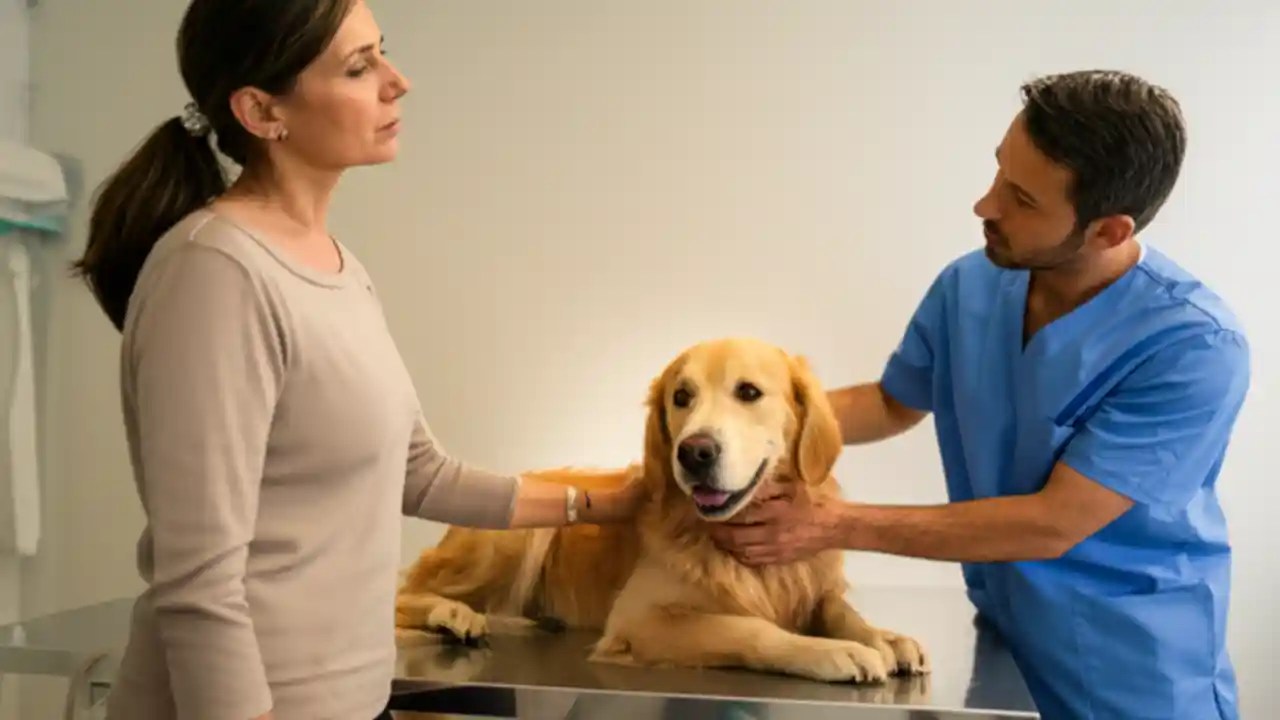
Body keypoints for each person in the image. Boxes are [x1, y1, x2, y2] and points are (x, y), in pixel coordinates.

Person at [70, 2, 645, 719]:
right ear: (260, 110)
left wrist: (603, 505)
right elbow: (199, 582)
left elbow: (418, 473)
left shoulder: (339, 269)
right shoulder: (215, 273)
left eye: (382, 52)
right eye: (358, 67)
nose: (396, 81)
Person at [711, 69, 1249, 720]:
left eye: (1021, 198)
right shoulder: (970, 286)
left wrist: (829, 524)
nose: (985, 206)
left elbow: (1053, 523)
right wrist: (733, 429)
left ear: (1109, 231)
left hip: (1137, 677)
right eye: (999, 171)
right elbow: (890, 403)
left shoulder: (1193, 347)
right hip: (1009, 649)